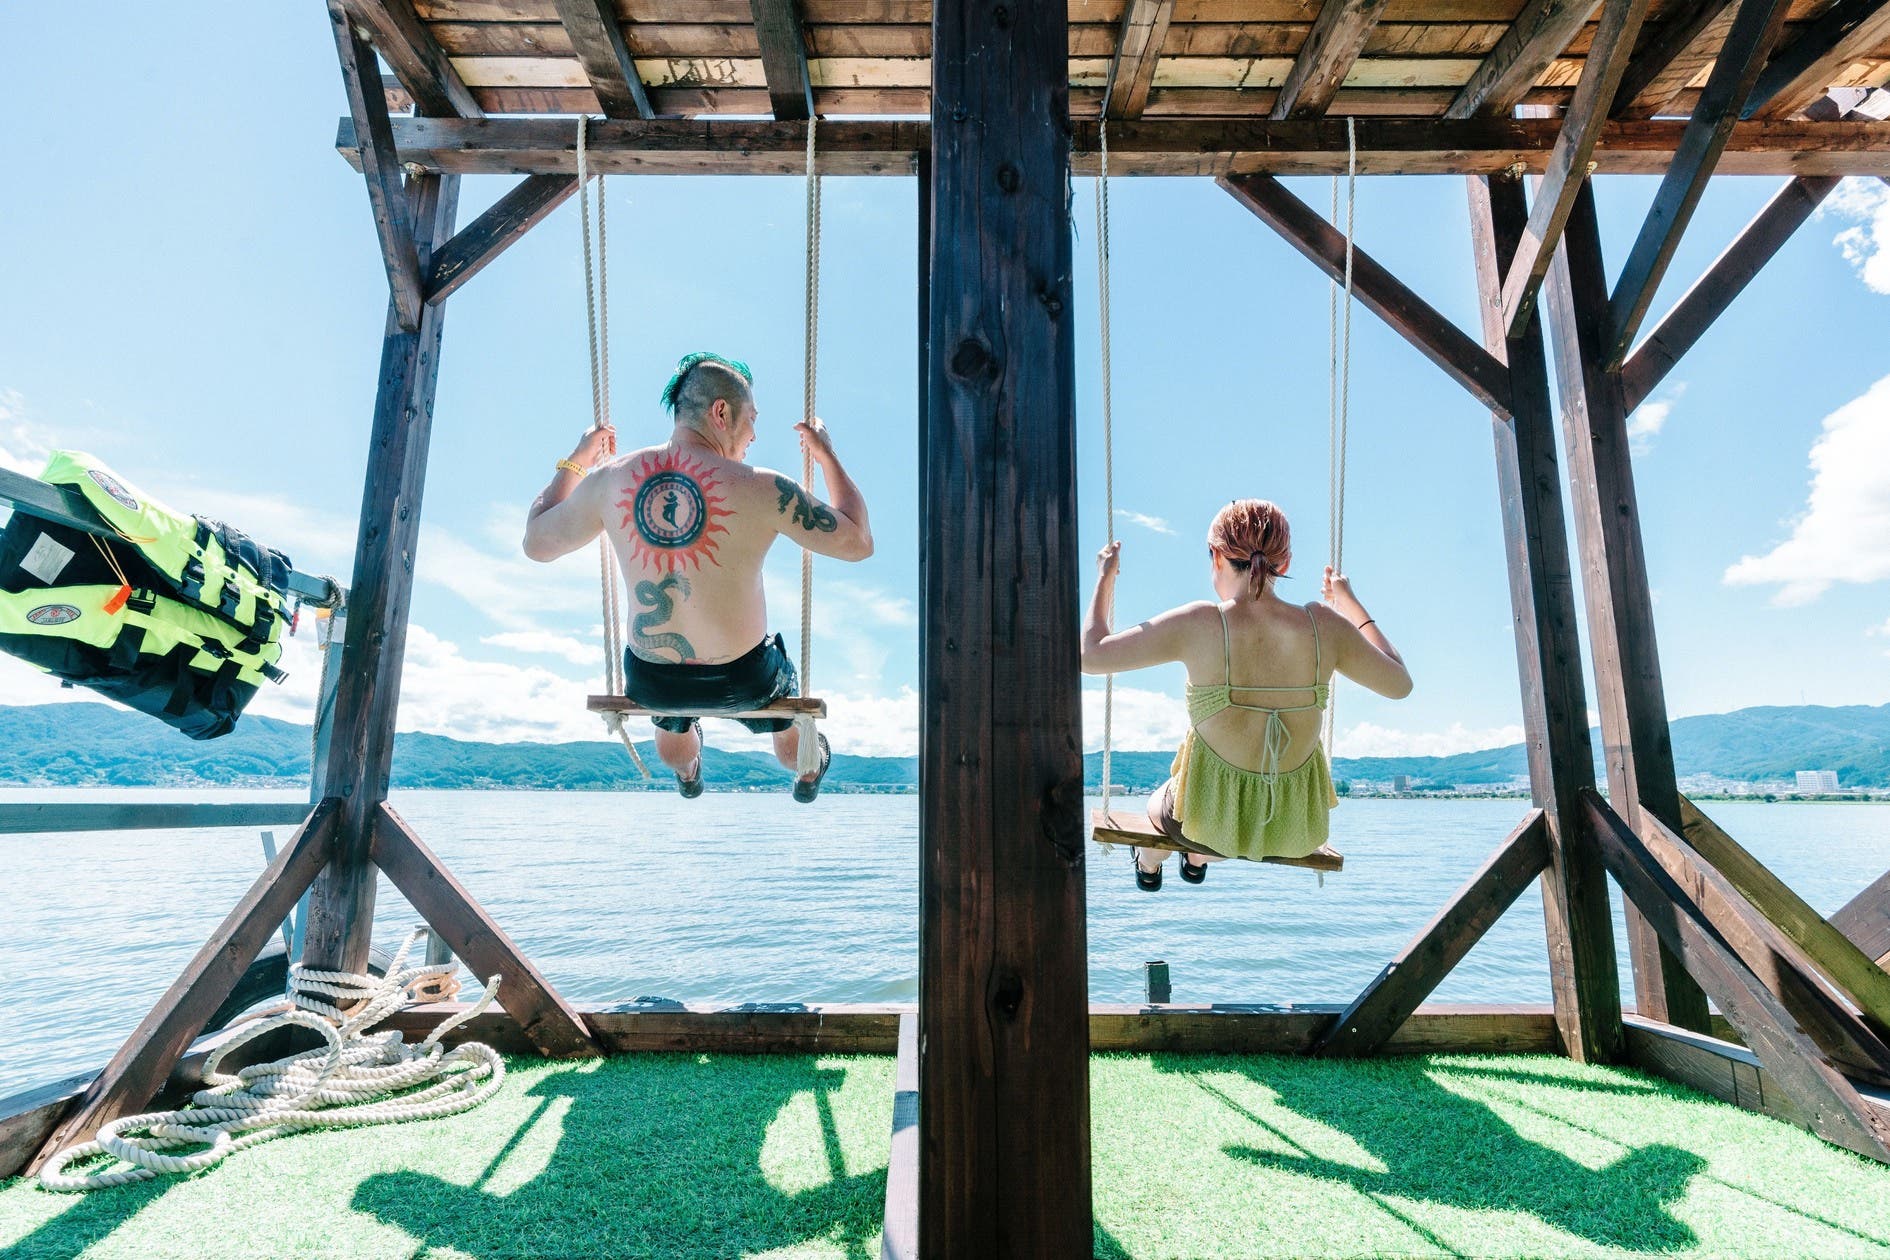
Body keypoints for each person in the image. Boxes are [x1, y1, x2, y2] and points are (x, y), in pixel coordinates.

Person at [522, 351, 872, 800]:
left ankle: (688, 770)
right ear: (722, 412)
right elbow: (859, 541)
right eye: (751, 419)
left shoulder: (609, 480)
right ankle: (810, 765)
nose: (754, 435)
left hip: (654, 676)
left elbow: (536, 542)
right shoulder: (763, 486)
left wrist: (577, 459)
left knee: (672, 741)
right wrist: (826, 456)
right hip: (746, 676)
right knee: (788, 727)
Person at [1080, 499, 1410, 889]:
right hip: (1291, 830)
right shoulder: (1324, 625)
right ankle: (1199, 855)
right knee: (1225, 822)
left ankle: (1153, 859)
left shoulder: (1201, 622)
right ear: (1283, 564)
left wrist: (1106, 577)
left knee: (1162, 805)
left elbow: (1090, 655)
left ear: (1217, 556)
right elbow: (1400, 684)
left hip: (1202, 821)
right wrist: (1349, 604)